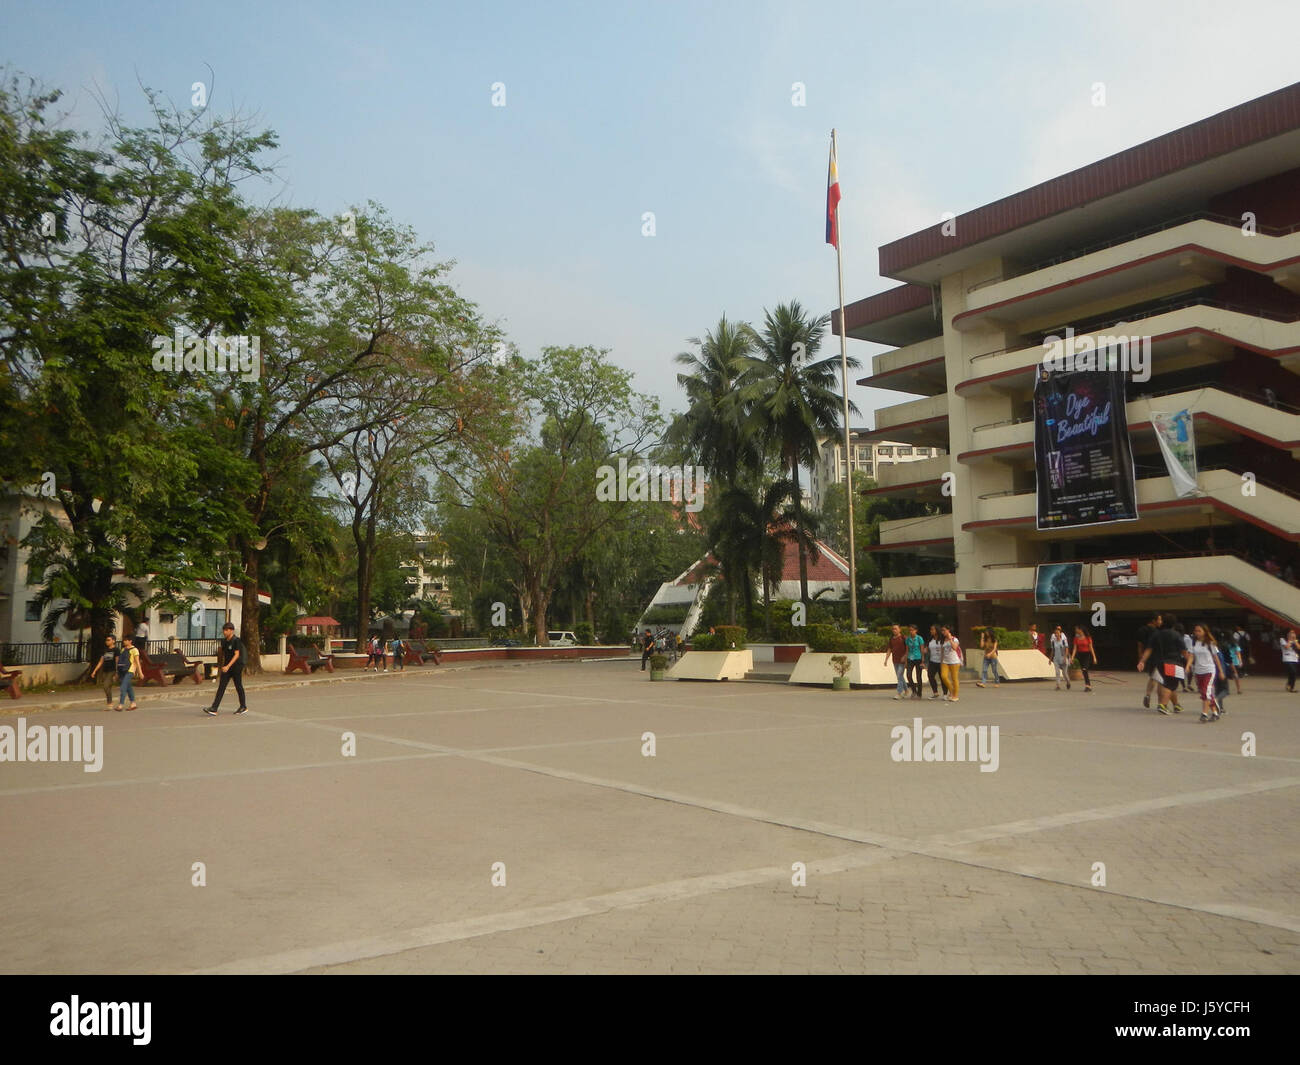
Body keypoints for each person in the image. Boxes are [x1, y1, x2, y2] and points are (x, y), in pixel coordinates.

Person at [1137, 612, 1186, 715]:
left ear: (1163, 622)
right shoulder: (1176, 634)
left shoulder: (1156, 634)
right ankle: (1162, 705)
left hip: (1159, 663)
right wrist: (1189, 661)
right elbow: (1183, 651)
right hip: (1173, 662)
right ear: (1174, 623)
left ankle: (1176, 705)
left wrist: (1142, 661)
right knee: (1170, 684)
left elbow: (1149, 649)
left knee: (1165, 683)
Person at [205, 622, 247, 716]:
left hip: (236, 666)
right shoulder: (224, 641)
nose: (224, 632)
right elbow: (222, 654)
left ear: (231, 630)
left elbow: (237, 655)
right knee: (221, 687)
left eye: (226, 630)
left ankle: (243, 706)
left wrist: (228, 666)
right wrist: (220, 667)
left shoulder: (236, 640)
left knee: (238, 686)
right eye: (224, 630)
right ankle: (214, 708)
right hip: (226, 667)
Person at [1189, 624, 1223, 723]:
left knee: (1205, 691)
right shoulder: (1194, 643)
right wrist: (1187, 666)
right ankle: (1215, 712)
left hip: (1209, 670)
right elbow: (1191, 655)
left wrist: (1220, 671)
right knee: (1204, 691)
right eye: (1195, 631)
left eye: (1199, 631)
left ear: (1205, 631)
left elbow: (1216, 658)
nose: (1197, 633)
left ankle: (1204, 714)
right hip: (1198, 671)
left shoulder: (1210, 643)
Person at [1136, 615, 1161, 709]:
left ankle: (1148, 694)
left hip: (1146, 656)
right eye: (1159, 619)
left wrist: (1141, 658)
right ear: (1153, 621)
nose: (1160, 622)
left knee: (1153, 676)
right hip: (1156, 656)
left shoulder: (1141, 630)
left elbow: (1139, 644)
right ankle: (1161, 702)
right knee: (1158, 678)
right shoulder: (1157, 632)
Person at [89, 634, 117, 710]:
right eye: (106, 640)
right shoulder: (105, 650)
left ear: (113, 641)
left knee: (106, 685)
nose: (107, 642)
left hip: (112, 670)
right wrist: (94, 671)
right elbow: (101, 661)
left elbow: (117, 661)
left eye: (109, 640)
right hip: (105, 670)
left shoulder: (116, 650)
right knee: (107, 687)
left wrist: (116, 673)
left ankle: (110, 702)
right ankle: (110, 703)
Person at [116, 633, 142, 711]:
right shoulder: (123, 649)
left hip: (130, 670)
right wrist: (117, 672)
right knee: (128, 687)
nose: (124, 641)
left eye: (126, 640)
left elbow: (137, 662)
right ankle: (133, 703)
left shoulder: (134, 650)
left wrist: (140, 672)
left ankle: (121, 705)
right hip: (122, 670)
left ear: (130, 641)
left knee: (123, 687)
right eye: (124, 640)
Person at [884, 624, 908, 700]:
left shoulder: (903, 638)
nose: (894, 630)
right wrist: (886, 659)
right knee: (900, 676)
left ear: (899, 629)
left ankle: (899, 692)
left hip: (902, 660)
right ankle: (906, 690)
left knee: (899, 675)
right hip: (895, 660)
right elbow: (889, 649)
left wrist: (905, 657)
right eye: (893, 629)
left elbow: (908, 648)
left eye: (896, 629)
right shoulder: (891, 639)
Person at [939, 626, 963, 702]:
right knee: (943, 676)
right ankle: (952, 690)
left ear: (948, 630)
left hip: (954, 661)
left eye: (944, 630)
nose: (943, 632)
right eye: (942, 631)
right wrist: (941, 660)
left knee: (954, 678)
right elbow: (942, 651)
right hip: (945, 661)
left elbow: (954, 648)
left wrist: (950, 639)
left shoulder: (955, 639)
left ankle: (955, 696)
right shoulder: (942, 640)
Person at [1071, 625, 1096, 693]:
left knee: (1085, 669)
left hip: (1087, 654)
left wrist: (1094, 657)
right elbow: (1075, 648)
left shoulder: (1088, 638)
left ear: (1081, 630)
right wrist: (1072, 657)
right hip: (1080, 654)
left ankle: (1087, 685)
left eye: (1077, 629)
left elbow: (1091, 648)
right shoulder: (1076, 638)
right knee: (1083, 670)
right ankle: (1088, 685)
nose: (1076, 630)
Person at [926, 624, 948, 700]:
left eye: (933, 629)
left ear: (937, 630)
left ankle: (945, 694)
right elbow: (927, 649)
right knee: (930, 675)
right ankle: (935, 693)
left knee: (943, 678)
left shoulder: (943, 639)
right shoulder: (930, 639)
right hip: (932, 661)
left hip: (942, 661)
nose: (931, 631)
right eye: (931, 629)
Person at [904, 624, 926, 699]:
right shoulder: (908, 639)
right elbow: (907, 650)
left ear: (916, 630)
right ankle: (914, 690)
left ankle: (919, 693)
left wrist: (923, 660)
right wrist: (906, 661)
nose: (911, 632)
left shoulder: (919, 638)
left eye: (912, 630)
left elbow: (922, 650)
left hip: (918, 658)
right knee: (908, 675)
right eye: (910, 630)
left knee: (918, 676)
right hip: (910, 658)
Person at [1049, 625, 1071, 691]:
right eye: (1055, 633)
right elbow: (1053, 650)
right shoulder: (1053, 642)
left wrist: (1065, 657)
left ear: (1060, 633)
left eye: (1057, 633)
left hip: (1063, 658)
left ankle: (1068, 682)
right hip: (1056, 658)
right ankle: (1058, 685)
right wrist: (1050, 659)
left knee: (1064, 673)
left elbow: (1067, 649)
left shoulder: (1063, 641)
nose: (1056, 634)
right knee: (1057, 672)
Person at [1281, 629, 1299, 693]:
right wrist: (1290, 640)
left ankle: (1290, 686)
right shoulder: (1283, 640)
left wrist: (1295, 641)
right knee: (1292, 671)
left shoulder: (1295, 640)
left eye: (1293, 633)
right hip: (1287, 658)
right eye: (1291, 633)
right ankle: (1289, 685)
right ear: (1287, 634)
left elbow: (1299, 647)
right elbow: (1286, 647)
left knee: (1293, 673)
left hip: (1294, 659)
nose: (1292, 634)